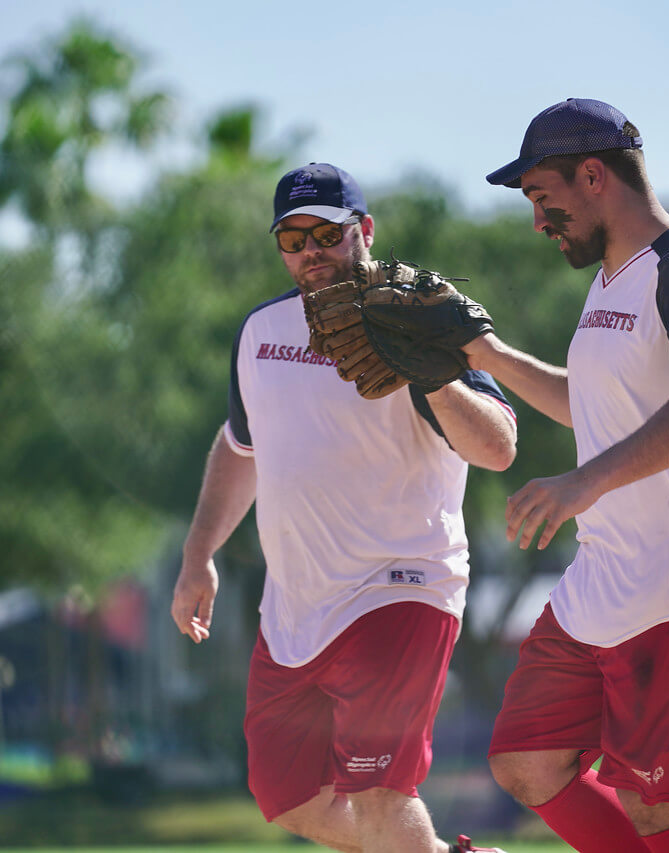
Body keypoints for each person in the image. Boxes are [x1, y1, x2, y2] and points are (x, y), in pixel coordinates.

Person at [170, 162, 518, 853]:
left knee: (380, 792)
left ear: (363, 230)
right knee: (289, 798)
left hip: (402, 585)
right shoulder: (260, 332)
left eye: (325, 234)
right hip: (297, 609)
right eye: (292, 239)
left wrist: (430, 372)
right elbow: (241, 448)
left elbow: (499, 446)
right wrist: (198, 555)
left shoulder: (418, 319)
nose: (310, 252)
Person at [462, 99, 669, 852]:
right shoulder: (611, 279)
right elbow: (595, 405)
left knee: (661, 810)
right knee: (527, 759)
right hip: (612, 577)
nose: (540, 221)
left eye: (545, 198)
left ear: (595, 175)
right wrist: (488, 354)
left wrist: (582, 484)